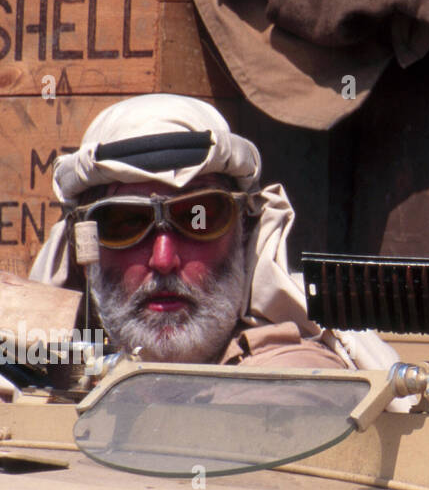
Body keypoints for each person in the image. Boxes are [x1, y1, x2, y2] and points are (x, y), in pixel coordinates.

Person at [25, 94, 396, 370]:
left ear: (245, 235)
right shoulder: (40, 374)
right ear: (85, 250)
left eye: (198, 219)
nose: (164, 259)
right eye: (125, 224)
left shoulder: (289, 378)